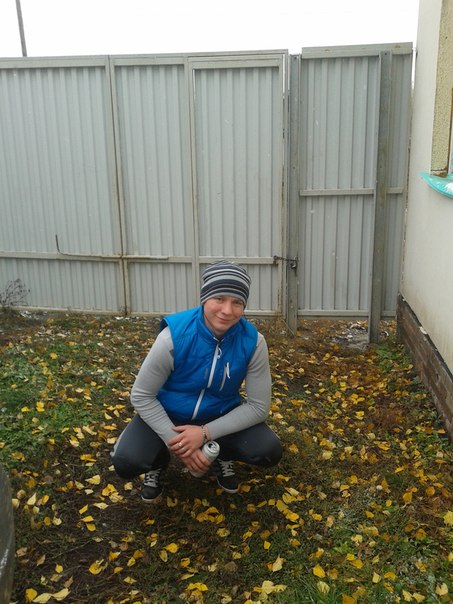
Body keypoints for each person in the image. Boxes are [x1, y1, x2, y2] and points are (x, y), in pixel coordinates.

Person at [111, 260, 282, 502]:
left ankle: (220, 453)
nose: (227, 310)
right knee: (127, 461)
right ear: (205, 298)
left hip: (220, 414)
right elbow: (141, 395)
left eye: (237, 302)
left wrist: (204, 434)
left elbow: (258, 407)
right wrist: (180, 445)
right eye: (219, 298)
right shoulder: (173, 336)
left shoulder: (253, 342)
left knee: (268, 450)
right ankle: (157, 463)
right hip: (169, 414)